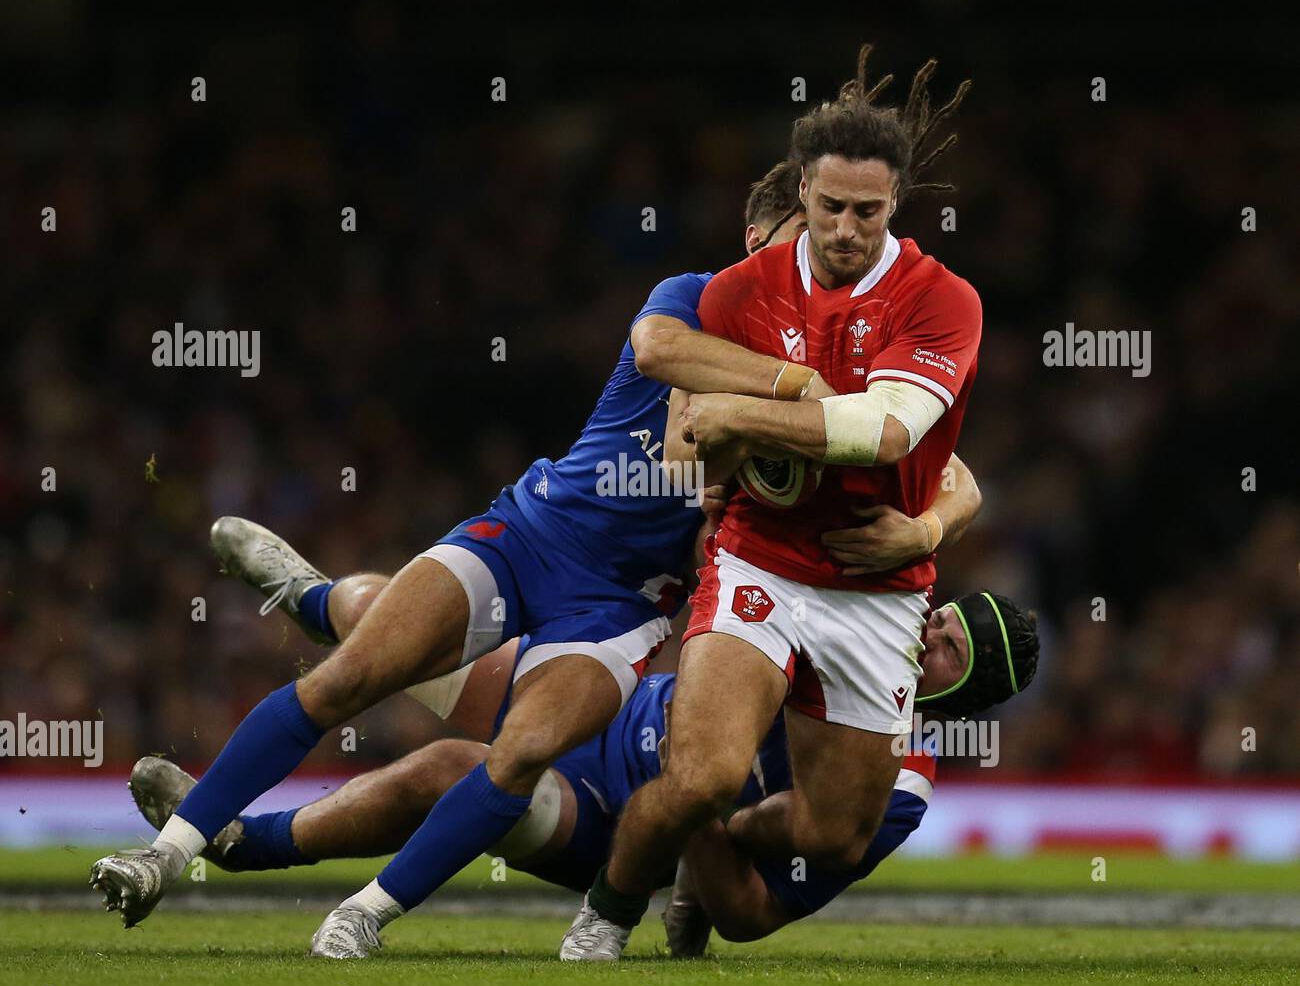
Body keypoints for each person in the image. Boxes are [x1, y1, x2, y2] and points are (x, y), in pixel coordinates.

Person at [88, 159, 907, 946]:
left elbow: (898, 459)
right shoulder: (695, 303)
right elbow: (683, 433)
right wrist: (791, 401)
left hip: (619, 606)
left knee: (502, 756)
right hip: (534, 531)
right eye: (791, 242)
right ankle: (169, 854)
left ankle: (357, 912)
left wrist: (919, 524)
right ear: (754, 236)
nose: (800, 271)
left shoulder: (838, 364)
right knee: (353, 675)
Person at [562, 45, 982, 960]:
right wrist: (720, 431)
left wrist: (756, 407)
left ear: (897, 203)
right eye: (830, 207)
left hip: (878, 589)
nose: (844, 229)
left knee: (833, 834)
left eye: (867, 212)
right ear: (802, 190)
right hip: (758, 560)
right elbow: (677, 419)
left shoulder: (941, 300)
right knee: (706, 774)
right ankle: (602, 919)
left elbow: (889, 434)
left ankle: (693, 866)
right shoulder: (742, 291)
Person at [126, 587, 1038, 958]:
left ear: (962, 694)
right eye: (944, 614)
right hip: (618, 706)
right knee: (421, 620)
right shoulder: (851, 616)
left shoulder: (900, 782)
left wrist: (694, 829)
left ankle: (248, 843)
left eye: (953, 646)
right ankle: (317, 595)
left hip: (614, 817)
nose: (931, 630)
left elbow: (761, 911)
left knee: (450, 767)